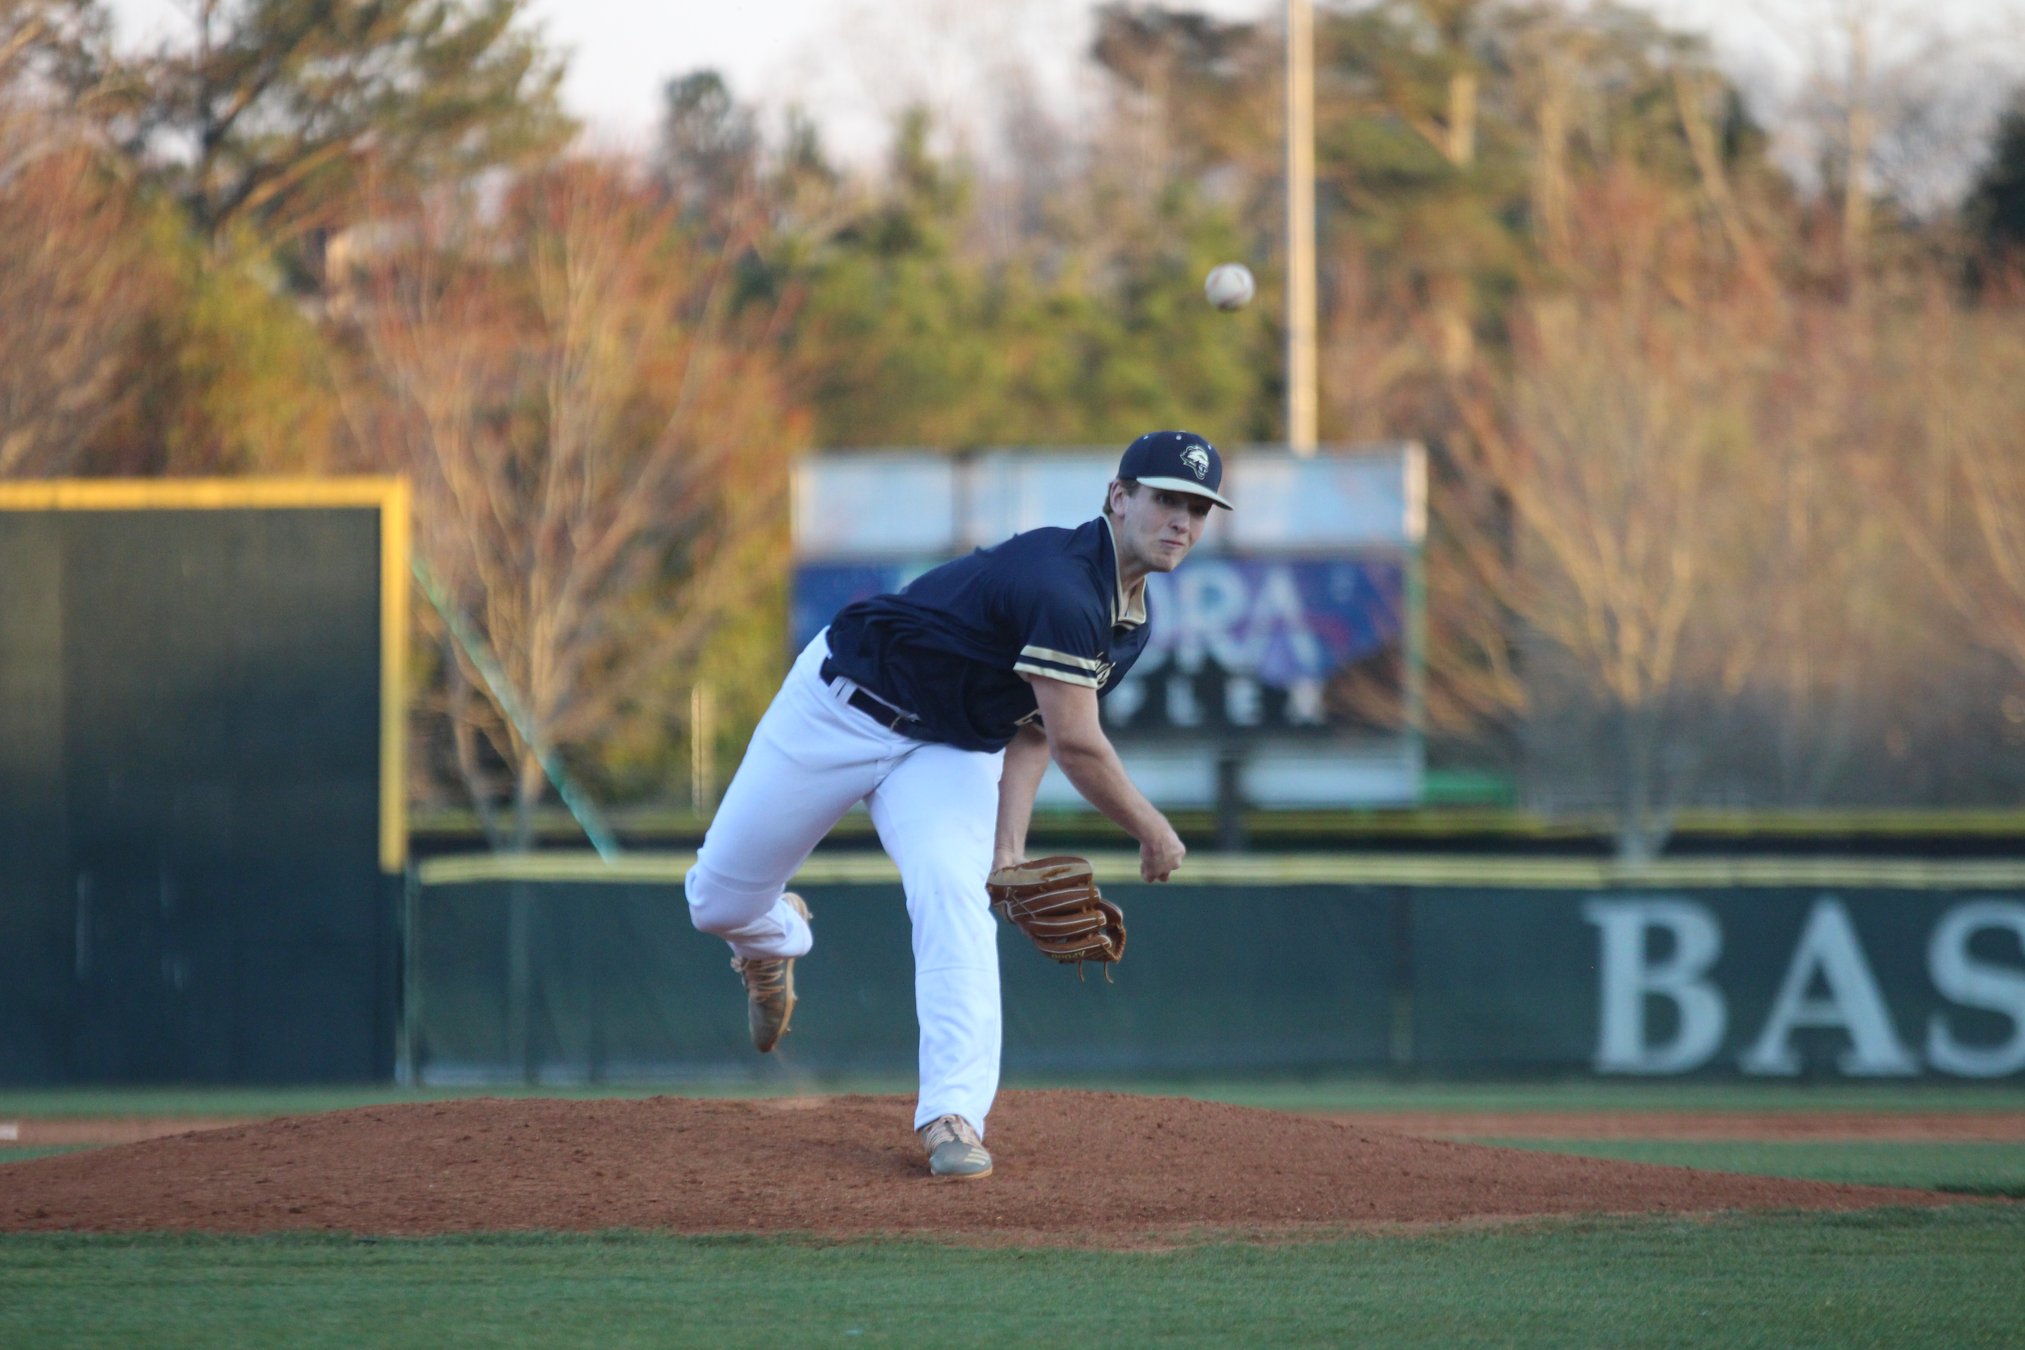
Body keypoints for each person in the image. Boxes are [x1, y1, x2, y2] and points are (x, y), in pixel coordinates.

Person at [683, 430, 1233, 1179]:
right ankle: (772, 940)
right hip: (839, 706)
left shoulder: (1129, 619)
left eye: (1198, 507)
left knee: (956, 895)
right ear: (1118, 496)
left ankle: (953, 1117)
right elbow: (1078, 744)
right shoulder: (1061, 583)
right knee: (715, 902)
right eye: (1166, 498)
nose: (1181, 520)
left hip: (946, 751)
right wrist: (1152, 830)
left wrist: (1007, 851)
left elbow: (1036, 732)